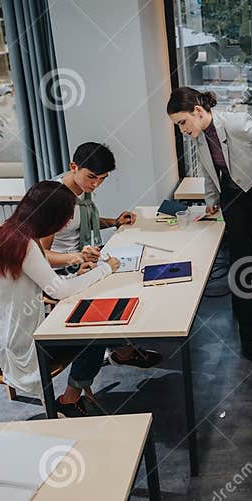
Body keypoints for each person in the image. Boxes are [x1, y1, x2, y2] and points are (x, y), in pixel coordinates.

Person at [167, 87, 252, 361]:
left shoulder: (236, 123)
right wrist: (212, 199)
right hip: (233, 196)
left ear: (198, 111)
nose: (182, 130)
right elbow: (212, 171)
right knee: (240, 261)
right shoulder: (198, 136)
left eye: (182, 122)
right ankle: (249, 333)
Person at [0, 181, 121, 417]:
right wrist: (105, 269)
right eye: (64, 218)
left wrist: (76, 272)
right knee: (95, 334)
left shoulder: (13, 231)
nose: (66, 223)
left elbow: (43, 283)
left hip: (7, 328)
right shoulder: (25, 244)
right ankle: (68, 400)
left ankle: (115, 360)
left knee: (88, 316)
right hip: (19, 341)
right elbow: (59, 292)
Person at [41, 142, 160, 369]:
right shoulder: (55, 199)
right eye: (91, 177)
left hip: (85, 262)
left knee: (136, 277)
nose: (95, 184)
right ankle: (72, 396)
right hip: (62, 272)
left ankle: (122, 349)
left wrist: (113, 222)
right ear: (73, 167)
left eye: (102, 179)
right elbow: (40, 255)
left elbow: (79, 225)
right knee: (98, 320)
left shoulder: (81, 191)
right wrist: (77, 258)